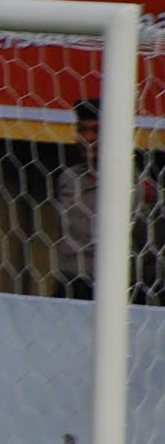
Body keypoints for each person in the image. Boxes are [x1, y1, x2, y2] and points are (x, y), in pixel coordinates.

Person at [52, 98, 161, 302]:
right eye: (82, 130)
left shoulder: (137, 184)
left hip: (119, 293)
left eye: (97, 130)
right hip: (71, 288)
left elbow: (150, 248)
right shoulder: (68, 179)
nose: (88, 138)